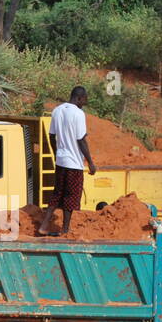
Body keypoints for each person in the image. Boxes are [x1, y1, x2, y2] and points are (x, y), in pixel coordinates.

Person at [37, 86, 96, 236]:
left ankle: (44, 226)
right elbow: (81, 140)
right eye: (84, 99)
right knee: (71, 196)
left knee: (57, 193)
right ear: (79, 98)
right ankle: (65, 230)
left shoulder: (57, 110)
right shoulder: (78, 114)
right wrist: (90, 162)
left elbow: (51, 136)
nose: (85, 102)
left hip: (61, 161)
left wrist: (57, 153)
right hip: (74, 163)